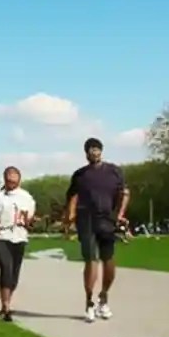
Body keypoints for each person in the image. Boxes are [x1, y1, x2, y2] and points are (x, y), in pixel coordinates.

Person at [63, 138, 129, 323]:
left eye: (97, 149)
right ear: (86, 153)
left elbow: (124, 193)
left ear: (101, 151)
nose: (94, 152)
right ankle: (89, 302)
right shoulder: (80, 175)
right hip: (87, 221)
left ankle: (104, 297)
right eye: (90, 149)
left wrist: (120, 214)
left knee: (108, 260)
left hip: (108, 219)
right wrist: (69, 217)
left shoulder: (114, 171)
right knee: (91, 260)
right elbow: (72, 197)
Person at [0, 166, 36, 322]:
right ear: (5, 180)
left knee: (14, 273)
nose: (11, 182)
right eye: (8, 180)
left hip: (19, 237)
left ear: (19, 179)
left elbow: (30, 219)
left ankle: (7, 301)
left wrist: (29, 222)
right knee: (6, 268)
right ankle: (5, 307)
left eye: (14, 180)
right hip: (1, 237)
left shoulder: (26, 197)